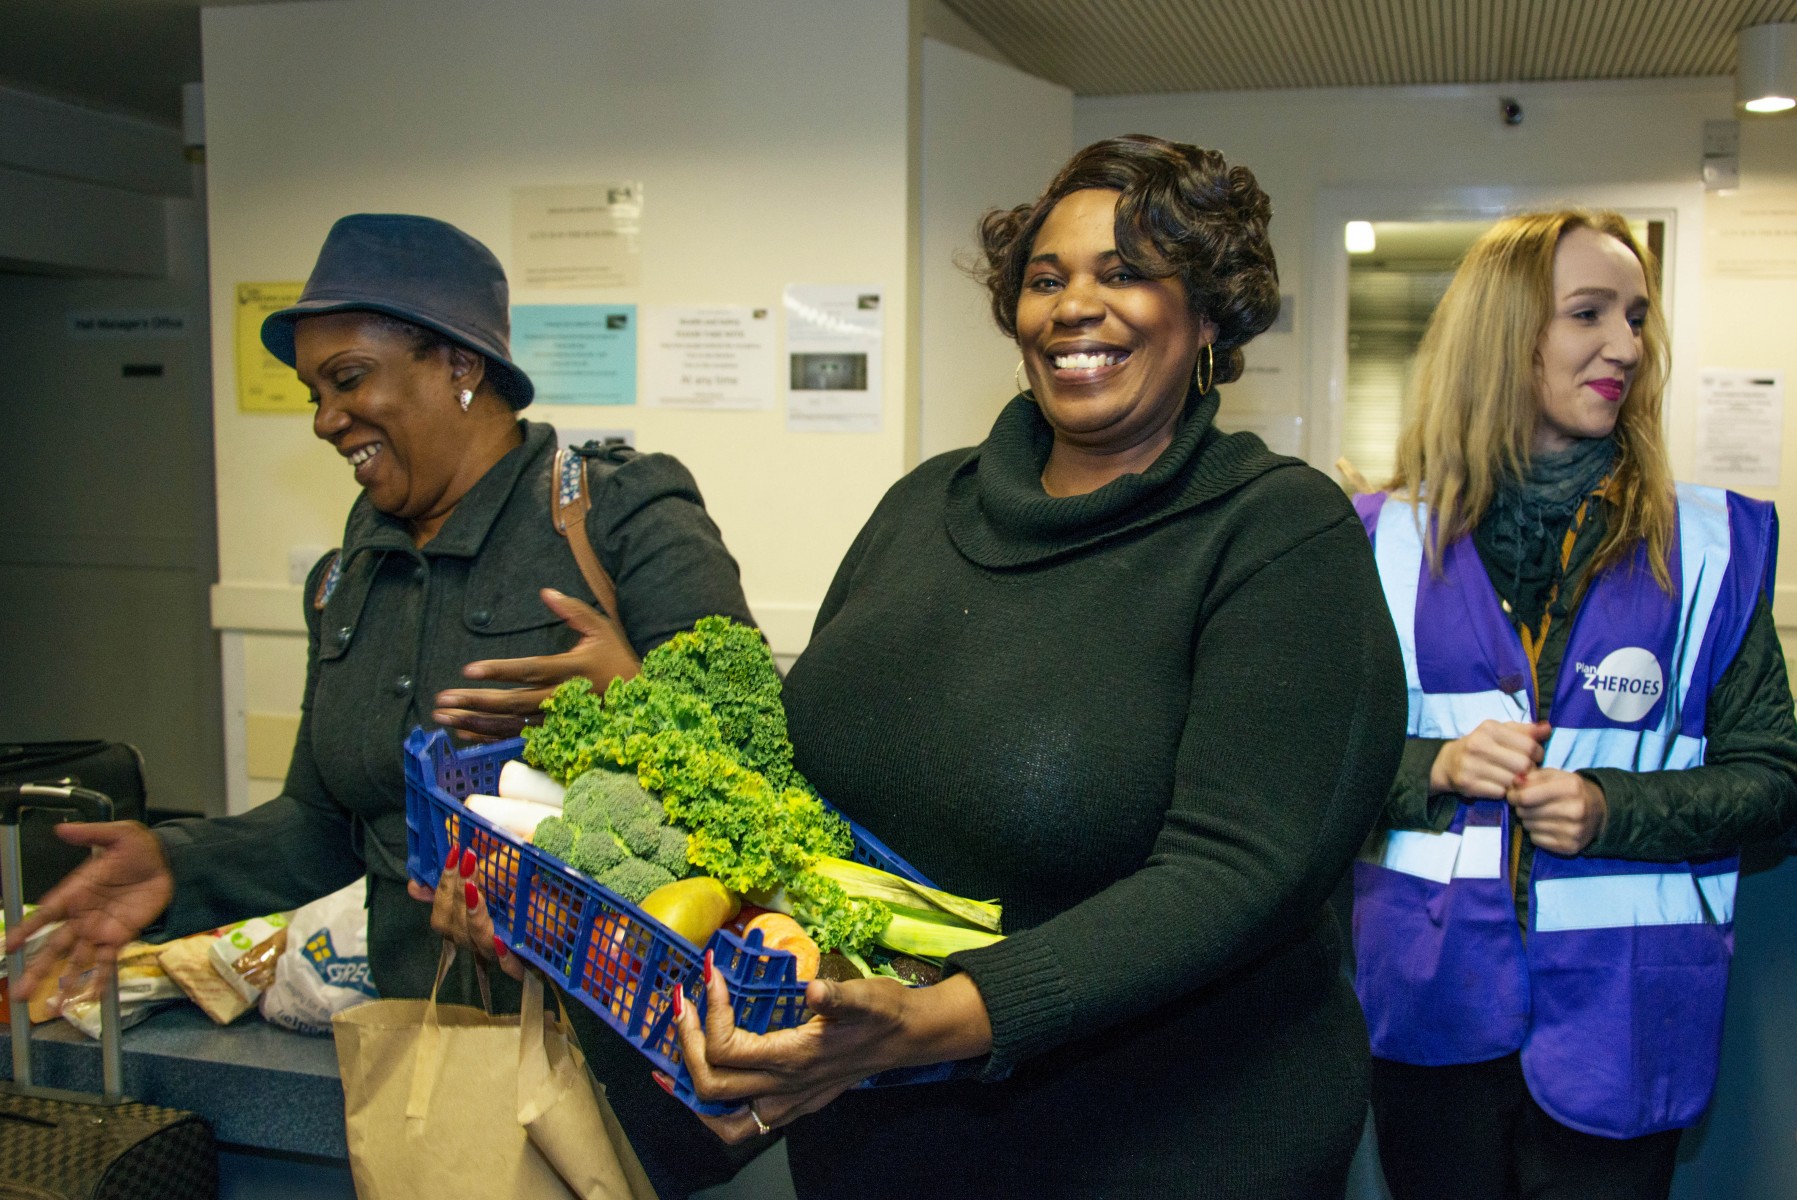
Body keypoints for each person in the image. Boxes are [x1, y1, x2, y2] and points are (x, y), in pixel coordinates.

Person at [667, 135, 1408, 1198]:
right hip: (884, 1143)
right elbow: (803, 778)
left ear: (1208, 315)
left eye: (1125, 273)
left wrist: (950, 1016)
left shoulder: (1278, 534)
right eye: (1046, 278)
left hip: (1165, 1149)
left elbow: (1238, 871)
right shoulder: (924, 504)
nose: (1073, 306)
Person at [9, 213, 767, 1197]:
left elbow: (766, 778)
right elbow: (324, 829)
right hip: (441, 1063)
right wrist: (176, 868)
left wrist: (633, 701)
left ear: (458, 363)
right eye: (315, 392)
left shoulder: (617, 515)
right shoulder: (346, 580)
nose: (326, 419)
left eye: (350, 378)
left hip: (630, 1081)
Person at [1350, 210, 1797, 1200]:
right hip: (1431, 1016)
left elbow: (1775, 786)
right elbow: (1301, 768)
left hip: (1626, 1020)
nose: (1627, 346)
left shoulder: (1712, 552)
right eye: (1588, 313)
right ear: (1505, 337)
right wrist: (1433, 765)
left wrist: (1611, 809)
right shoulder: (1375, 545)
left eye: (1637, 317)